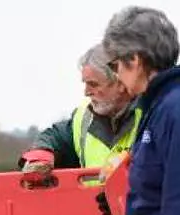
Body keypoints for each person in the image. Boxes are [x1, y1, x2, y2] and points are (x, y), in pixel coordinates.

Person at [102, 6, 180, 215]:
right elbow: (139, 199)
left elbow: (176, 197)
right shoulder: (151, 111)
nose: (117, 76)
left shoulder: (174, 111)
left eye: (115, 65)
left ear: (135, 60)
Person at [19, 43, 140, 184]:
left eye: (93, 84)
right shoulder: (83, 116)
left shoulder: (154, 115)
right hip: (90, 205)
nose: (86, 92)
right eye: (85, 83)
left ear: (121, 84)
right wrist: (40, 157)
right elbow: (54, 137)